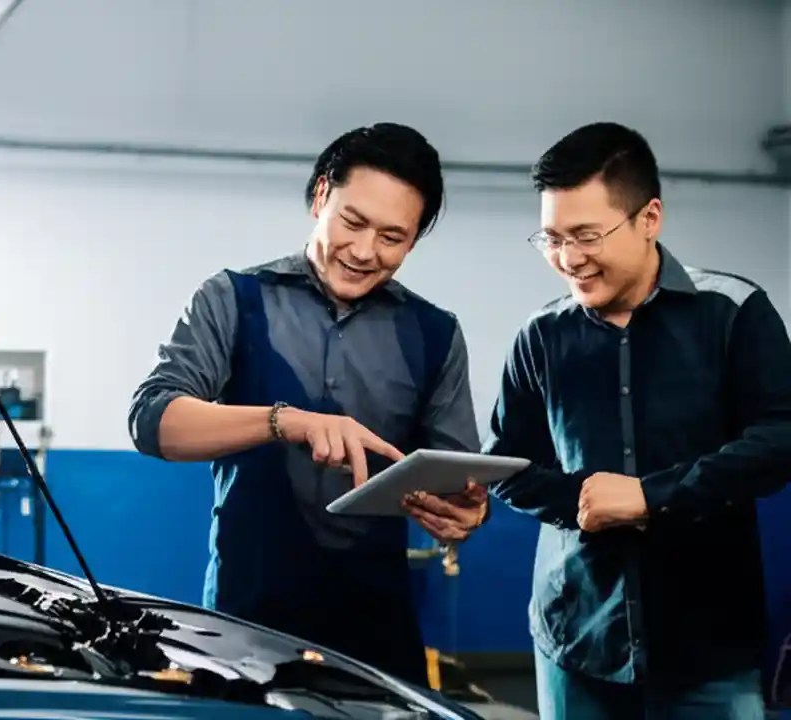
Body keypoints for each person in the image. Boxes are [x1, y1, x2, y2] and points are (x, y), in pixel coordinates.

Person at [127, 123, 489, 687]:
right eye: (353, 222)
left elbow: (456, 475)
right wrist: (284, 421)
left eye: (393, 237)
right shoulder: (233, 299)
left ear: (414, 239)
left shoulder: (435, 334)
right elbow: (153, 422)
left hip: (376, 637)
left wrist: (466, 512)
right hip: (243, 629)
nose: (366, 252)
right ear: (321, 196)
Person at [483, 121, 791, 718]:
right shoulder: (540, 336)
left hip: (710, 647)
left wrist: (651, 497)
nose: (568, 259)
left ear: (649, 218)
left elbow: (781, 438)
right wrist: (588, 498)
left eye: (586, 235)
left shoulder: (732, 312)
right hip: (576, 640)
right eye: (550, 239)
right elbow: (507, 465)